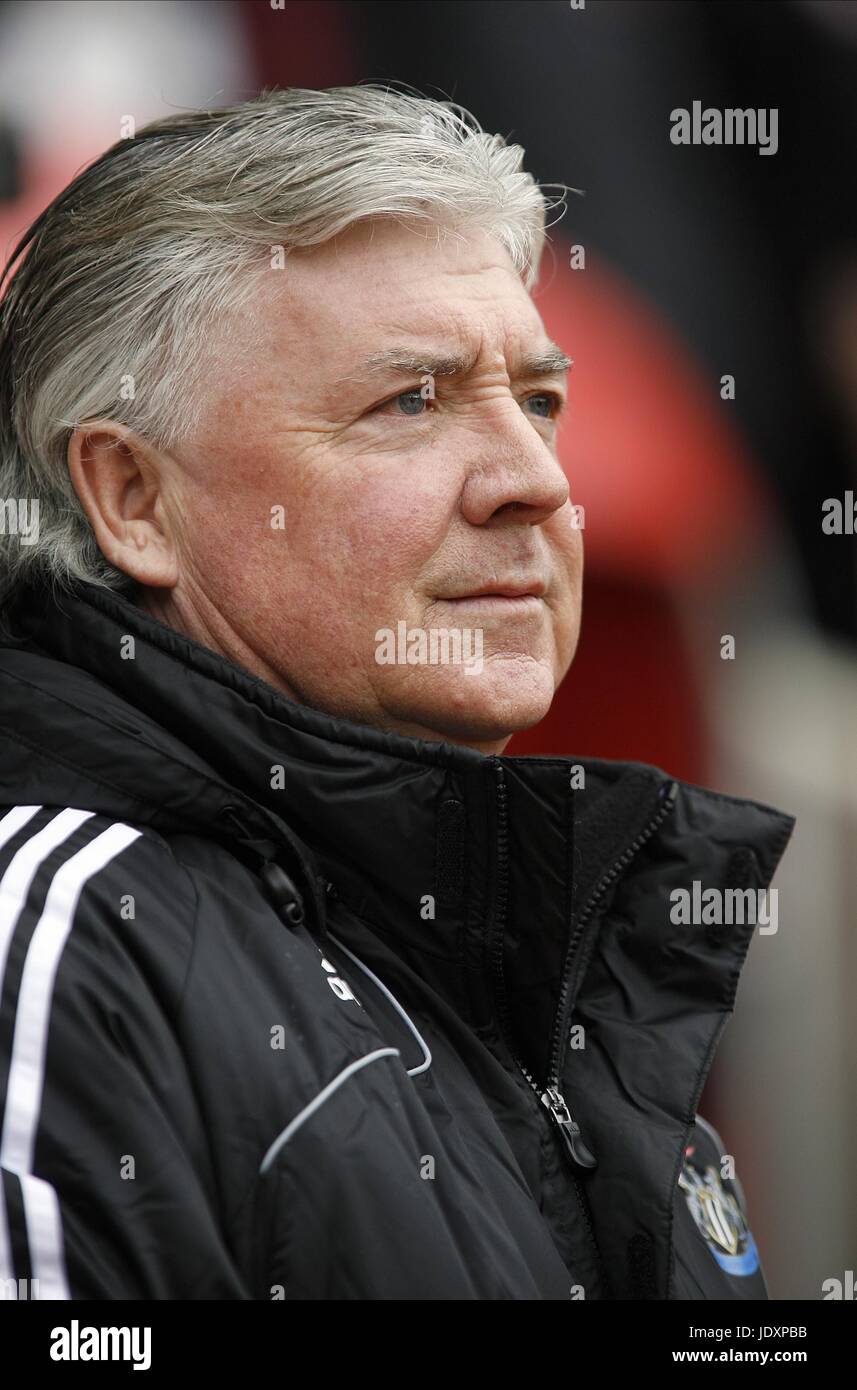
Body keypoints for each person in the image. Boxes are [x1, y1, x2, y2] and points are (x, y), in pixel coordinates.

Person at [0, 85, 792, 1300]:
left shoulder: (537, 935)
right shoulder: (56, 948)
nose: (533, 481)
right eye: (408, 402)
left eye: (538, 401)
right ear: (132, 499)